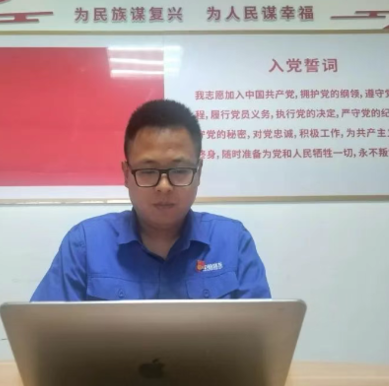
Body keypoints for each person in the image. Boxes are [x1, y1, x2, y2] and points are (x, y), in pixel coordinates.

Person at [31, 99, 270, 301]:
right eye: (147, 171)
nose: (164, 187)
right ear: (127, 175)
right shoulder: (84, 244)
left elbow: (261, 334)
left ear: (198, 173)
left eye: (179, 171)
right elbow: (44, 332)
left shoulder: (233, 241)